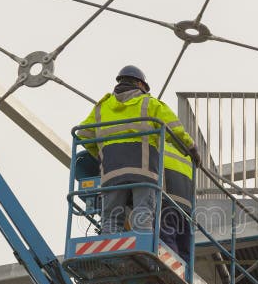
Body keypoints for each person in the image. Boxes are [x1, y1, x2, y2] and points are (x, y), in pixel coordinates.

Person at [76, 65, 197, 235]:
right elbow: (174, 131)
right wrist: (191, 148)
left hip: (111, 172)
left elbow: (83, 135)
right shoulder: (149, 103)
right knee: (143, 214)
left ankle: (111, 256)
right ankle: (143, 253)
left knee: (111, 218)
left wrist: (101, 155)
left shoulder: (101, 107)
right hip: (143, 171)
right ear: (140, 84)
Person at [160, 137, 200, 263]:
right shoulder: (187, 156)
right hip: (188, 209)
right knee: (185, 246)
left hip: (168, 200)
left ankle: (170, 271)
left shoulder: (159, 144)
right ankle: (186, 276)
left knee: (166, 238)